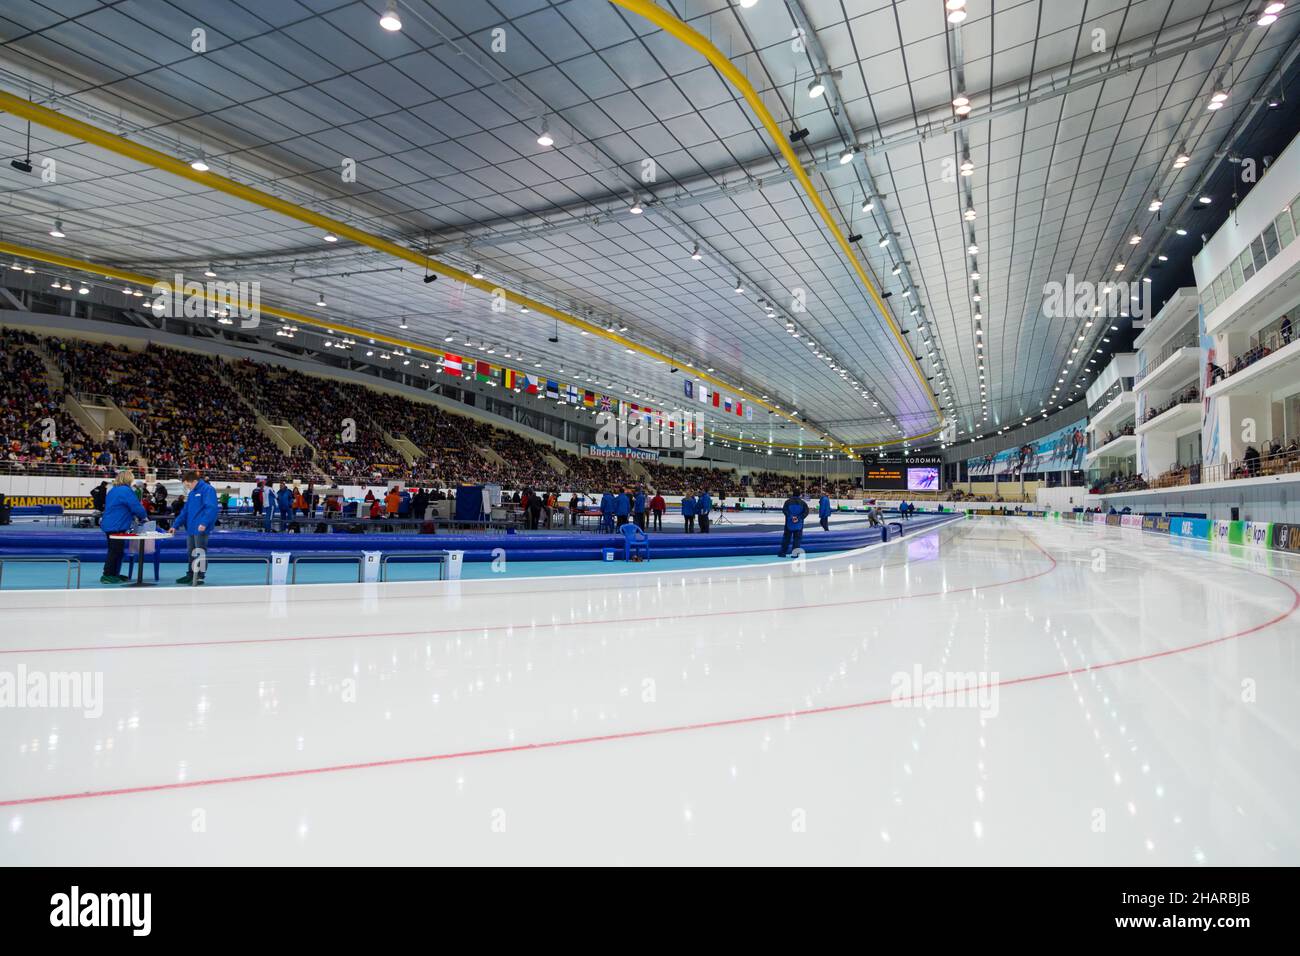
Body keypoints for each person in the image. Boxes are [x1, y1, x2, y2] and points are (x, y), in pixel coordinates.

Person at [99, 469, 148, 584]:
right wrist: (144, 517)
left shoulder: (113, 490)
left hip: (111, 523)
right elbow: (135, 506)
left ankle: (114, 573)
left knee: (117, 550)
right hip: (116, 525)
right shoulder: (126, 491)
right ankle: (107, 574)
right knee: (115, 550)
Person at [171, 469, 218, 585]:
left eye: (187, 485)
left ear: (193, 481)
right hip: (191, 528)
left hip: (201, 528)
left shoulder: (208, 490)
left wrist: (204, 523)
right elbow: (185, 511)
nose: (187, 488)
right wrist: (175, 525)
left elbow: (211, 508)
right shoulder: (192, 493)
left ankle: (200, 576)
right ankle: (191, 574)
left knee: (200, 552)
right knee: (190, 552)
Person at [779, 489, 809, 558]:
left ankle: (783, 553)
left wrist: (791, 517)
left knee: (786, 538)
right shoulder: (803, 503)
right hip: (799, 524)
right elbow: (806, 512)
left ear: (793, 494)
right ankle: (795, 554)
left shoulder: (787, 502)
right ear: (799, 495)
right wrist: (798, 518)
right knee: (797, 539)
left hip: (789, 523)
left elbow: (784, 511)